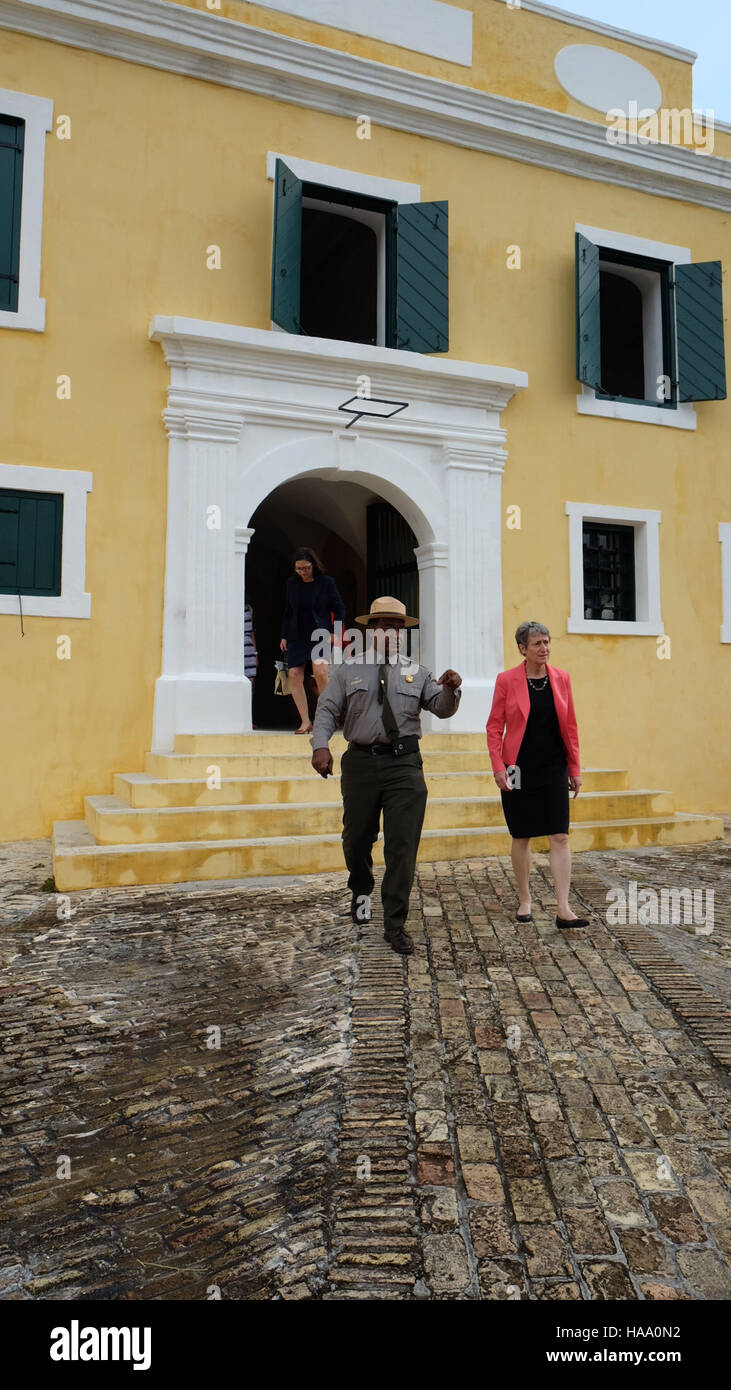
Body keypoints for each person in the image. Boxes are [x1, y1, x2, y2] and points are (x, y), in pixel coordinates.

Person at [311, 595, 462, 955]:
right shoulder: (348, 670)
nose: (390, 632)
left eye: (397, 627)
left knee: (402, 846)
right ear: (370, 630)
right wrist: (320, 746)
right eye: (383, 625)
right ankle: (360, 891)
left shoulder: (419, 671)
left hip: (404, 766)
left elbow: (440, 709)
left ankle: (395, 923)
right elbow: (328, 709)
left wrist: (452, 689)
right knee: (356, 839)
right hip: (361, 764)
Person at [486, 620, 589, 929]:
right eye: (537, 644)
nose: (544, 648)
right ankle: (525, 900)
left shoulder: (562, 679)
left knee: (559, 835)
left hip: (554, 766)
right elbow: (494, 728)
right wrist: (498, 767)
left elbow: (570, 727)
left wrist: (575, 768)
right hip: (517, 768)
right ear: (522, 649)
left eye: (547, 642)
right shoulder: (506, 680)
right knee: (522, 835)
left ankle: (563, 908)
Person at [279, 548, 346, 734]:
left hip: (320, 635)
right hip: (296, 635)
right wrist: (284, 635)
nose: (302, 572)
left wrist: (336, 632)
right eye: (298, 569)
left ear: (313, 565)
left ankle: (324, 719)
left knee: (321, 671)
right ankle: (305, 721)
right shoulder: (291, 583)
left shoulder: (326, 583)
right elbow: (288, 610)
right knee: (294, 675)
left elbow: (339, 608)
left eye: (305, 568)